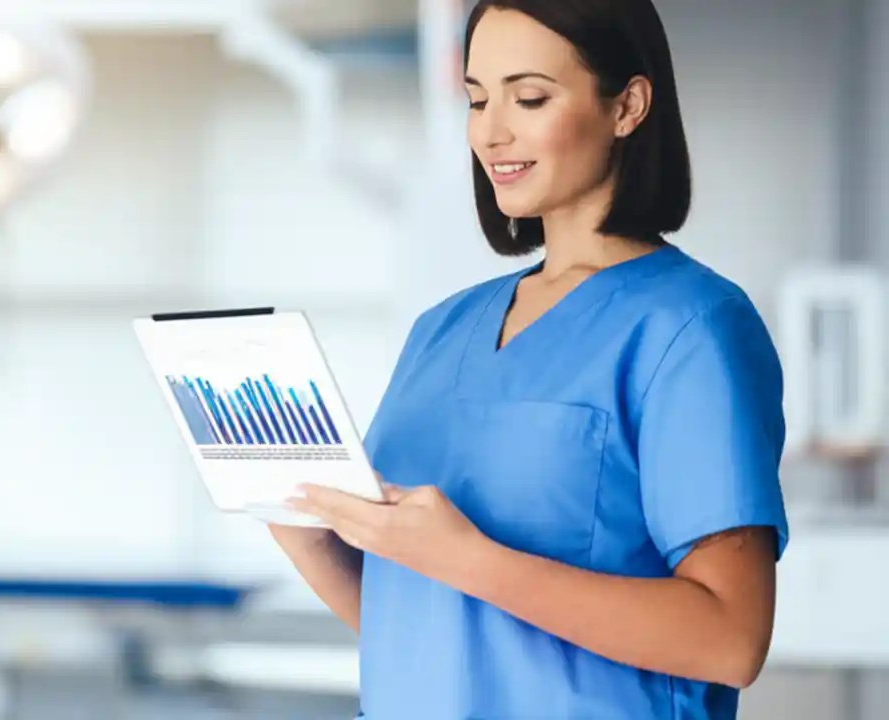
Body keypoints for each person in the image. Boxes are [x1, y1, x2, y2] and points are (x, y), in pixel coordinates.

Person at [272, 1, 788, 718]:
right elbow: (429, 629)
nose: (491, 131)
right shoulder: (441, 331)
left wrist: (466, 556)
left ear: (628, 106)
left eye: (530, 97)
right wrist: (307, 537)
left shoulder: (690, 328)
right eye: (477, 99)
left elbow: (730, 639)